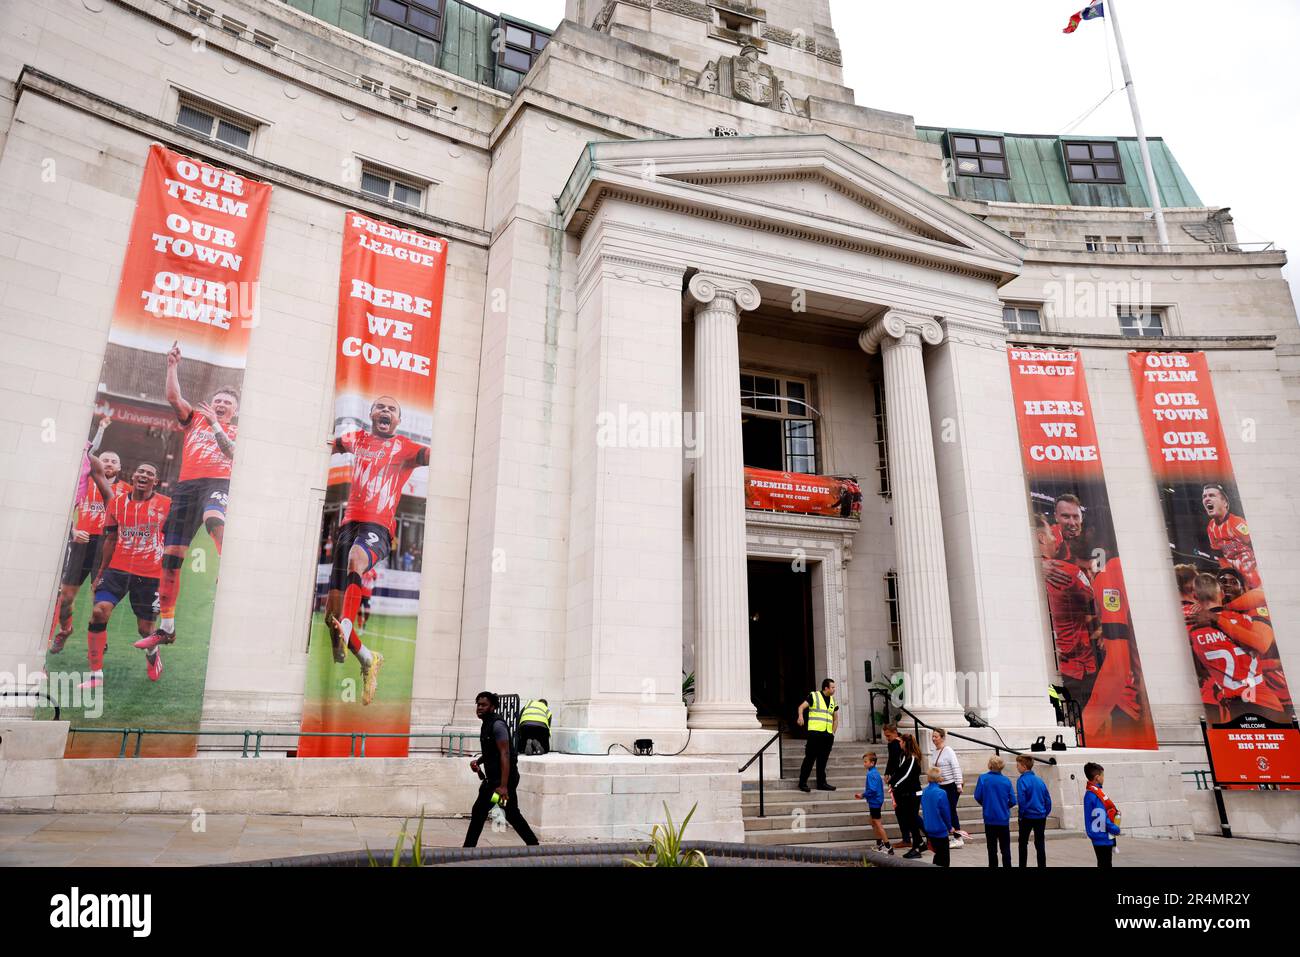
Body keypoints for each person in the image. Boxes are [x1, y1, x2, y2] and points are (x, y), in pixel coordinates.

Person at [322, 396, 430, 706]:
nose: (385, 411)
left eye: (392, 409)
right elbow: (332, 445)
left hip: (378, 526)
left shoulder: (404, 447)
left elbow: (431, 455)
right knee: (330, 617)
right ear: (370, 414)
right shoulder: (356, 439)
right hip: (347, 526)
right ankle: (368, 658)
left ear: (398, 420)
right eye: (380, 407)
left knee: (356, 559)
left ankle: (348, 626)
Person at [139, 342, 238, 652]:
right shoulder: (194, 419)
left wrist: (215, 425)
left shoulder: (238, 433)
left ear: (234, 411)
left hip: (218, 482)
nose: (220, 404)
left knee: (214, 517)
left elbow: (232, 454)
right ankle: (167, 628)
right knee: (171, 559)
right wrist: (172, 366)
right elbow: (173, 397)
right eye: (217, 400)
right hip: (185, 488)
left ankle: (229, 570)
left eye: (227, 402)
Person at [80, 455, 172, 688]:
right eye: (141, 471)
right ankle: (95, 675)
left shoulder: (166, 505)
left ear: (155, 482)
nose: (144, 475)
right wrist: (100, 573)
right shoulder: (117, 503)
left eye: (150, 474)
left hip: (150, 575)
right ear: (133, 477)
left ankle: (153, 655)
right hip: (117, 571)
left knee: (145, 629)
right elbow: (110, 539)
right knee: (99, 612)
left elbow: (175, 539)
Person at [50, 417, 127, 653]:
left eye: (113, 461)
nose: (108, 463)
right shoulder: (85, 479)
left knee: (100, 597)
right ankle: (65, 630)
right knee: (65, 597)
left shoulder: (127, 490)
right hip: (81, 542)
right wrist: (73, 529)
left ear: (119, 467)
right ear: (97, 463)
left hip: (106, 545)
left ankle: (99, 636)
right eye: (105, 459)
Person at [463, 691, 539, 848]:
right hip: (494, 781)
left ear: (492, 707)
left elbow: (505, 754)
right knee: (507, 812)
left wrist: (503, 786)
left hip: (501, 783)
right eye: (478, 704)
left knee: (482, 811)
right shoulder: (486, 724)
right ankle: (533, 845)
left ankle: (467, 850)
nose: (479, 708)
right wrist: (479, 761)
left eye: (484, 705)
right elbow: (492, 752)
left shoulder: (497, 725)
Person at [1202, 484, 1260, 589]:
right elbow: (1219, 555)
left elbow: (1257, 547)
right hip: (1237, 580)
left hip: (1254, 577)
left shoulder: (1237, 523)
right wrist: (1229, 574)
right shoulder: (1210, 527)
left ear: (1225, 502)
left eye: (1211, 495)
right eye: (1204, 496)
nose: (1207, 499)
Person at [796, 678, 838, 793]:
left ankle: (821, 783)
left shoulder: (833, 700)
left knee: (823, 760)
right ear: (826, 688)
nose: (834, 689)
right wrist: (800, 716)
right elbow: (801, 707)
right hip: (815, 734)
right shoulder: (814, 696)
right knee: (809, 759)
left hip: (827, 735)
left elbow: (835, 718)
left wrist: (832, 733)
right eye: (832, 687)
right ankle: (802, 783)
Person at [974, 755, 1015, 868]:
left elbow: (977, 796)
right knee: (1005, 849)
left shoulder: (983, 778)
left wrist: (986, 804)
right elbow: (1013, 800)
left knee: (992, 849)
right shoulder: (1006, 780)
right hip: (1003, 819)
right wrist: (1004, 806)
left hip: (989, 818)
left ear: (990, 765)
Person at [931, 728, 967, 847]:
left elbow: (955, 767)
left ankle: (958, 838)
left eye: (936, 736)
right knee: (943, 811)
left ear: (942, 738)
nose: (933, 738)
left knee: (951, 811)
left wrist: (958, 784)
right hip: (940, 786)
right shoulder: (934, 751)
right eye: (933, 736)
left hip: (951, 785)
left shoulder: (948, 750)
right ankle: (946, 836)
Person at [1015, 754, 1051, 867]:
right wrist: (1045, 812)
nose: (1017, 767)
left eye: (1018, 765)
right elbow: (1047, 799)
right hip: (1040, 816)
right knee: (1040, 843)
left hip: (1027, 816)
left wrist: (1021, 815)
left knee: (1023, 843)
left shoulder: (1021, 780)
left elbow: (1022, 800)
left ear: (1024, 766)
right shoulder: (1039, 780)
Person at [894, 733, 927, 859]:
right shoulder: (904, 755)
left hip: (914, 794)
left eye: (900, 741)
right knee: (910, 820)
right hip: (906, 793)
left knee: (912, 820)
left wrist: (895, 785)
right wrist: (892, 781)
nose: (899, 743)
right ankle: (920, 843)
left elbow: (906, 775)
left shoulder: (912, 757)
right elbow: (899, 771)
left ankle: (917, 848)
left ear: (905, 743)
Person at [1084, 761, 1122, 867]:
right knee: (1105, 863)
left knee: (1102, 863)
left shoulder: (1089, 793)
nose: (1103, 778)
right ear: (1097, 777)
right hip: (1103, 836)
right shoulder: (1096, 795)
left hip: (1097, 836)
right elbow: (1101, 817)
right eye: (1102, 776)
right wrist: (1115, 829)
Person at [854, 751, 891, 854]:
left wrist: (862, 795)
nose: (864, 764)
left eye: (865, 762)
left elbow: (872, 790)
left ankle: (888, 847)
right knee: (873, 822)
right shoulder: (873, 772)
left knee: (877, 824)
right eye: (864, 761)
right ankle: (879, 844)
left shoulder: (871, 774)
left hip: (875, 802)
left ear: (872, 763)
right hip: (875, 801)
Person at [881, 723, 909, 850]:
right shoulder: (892, 743)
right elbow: (891, 760)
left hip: (901, 781)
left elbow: (896, 762)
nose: (887, 738)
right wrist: (887, 772)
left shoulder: (900, 743)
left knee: (904, 811)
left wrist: (891, 777)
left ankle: (909, 838)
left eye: (888, 735)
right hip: (896, 779)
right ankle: (906, 838)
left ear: (895, 732)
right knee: (900, 811)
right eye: (885, 736)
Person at [921, 767, 952, 867]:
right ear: (938, 778)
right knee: (944, 859)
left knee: (938, 855)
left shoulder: (924, 792)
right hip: (940, 829)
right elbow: (945, 813)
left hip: (929, 828)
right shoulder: (941, 793)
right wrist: (950, 827)